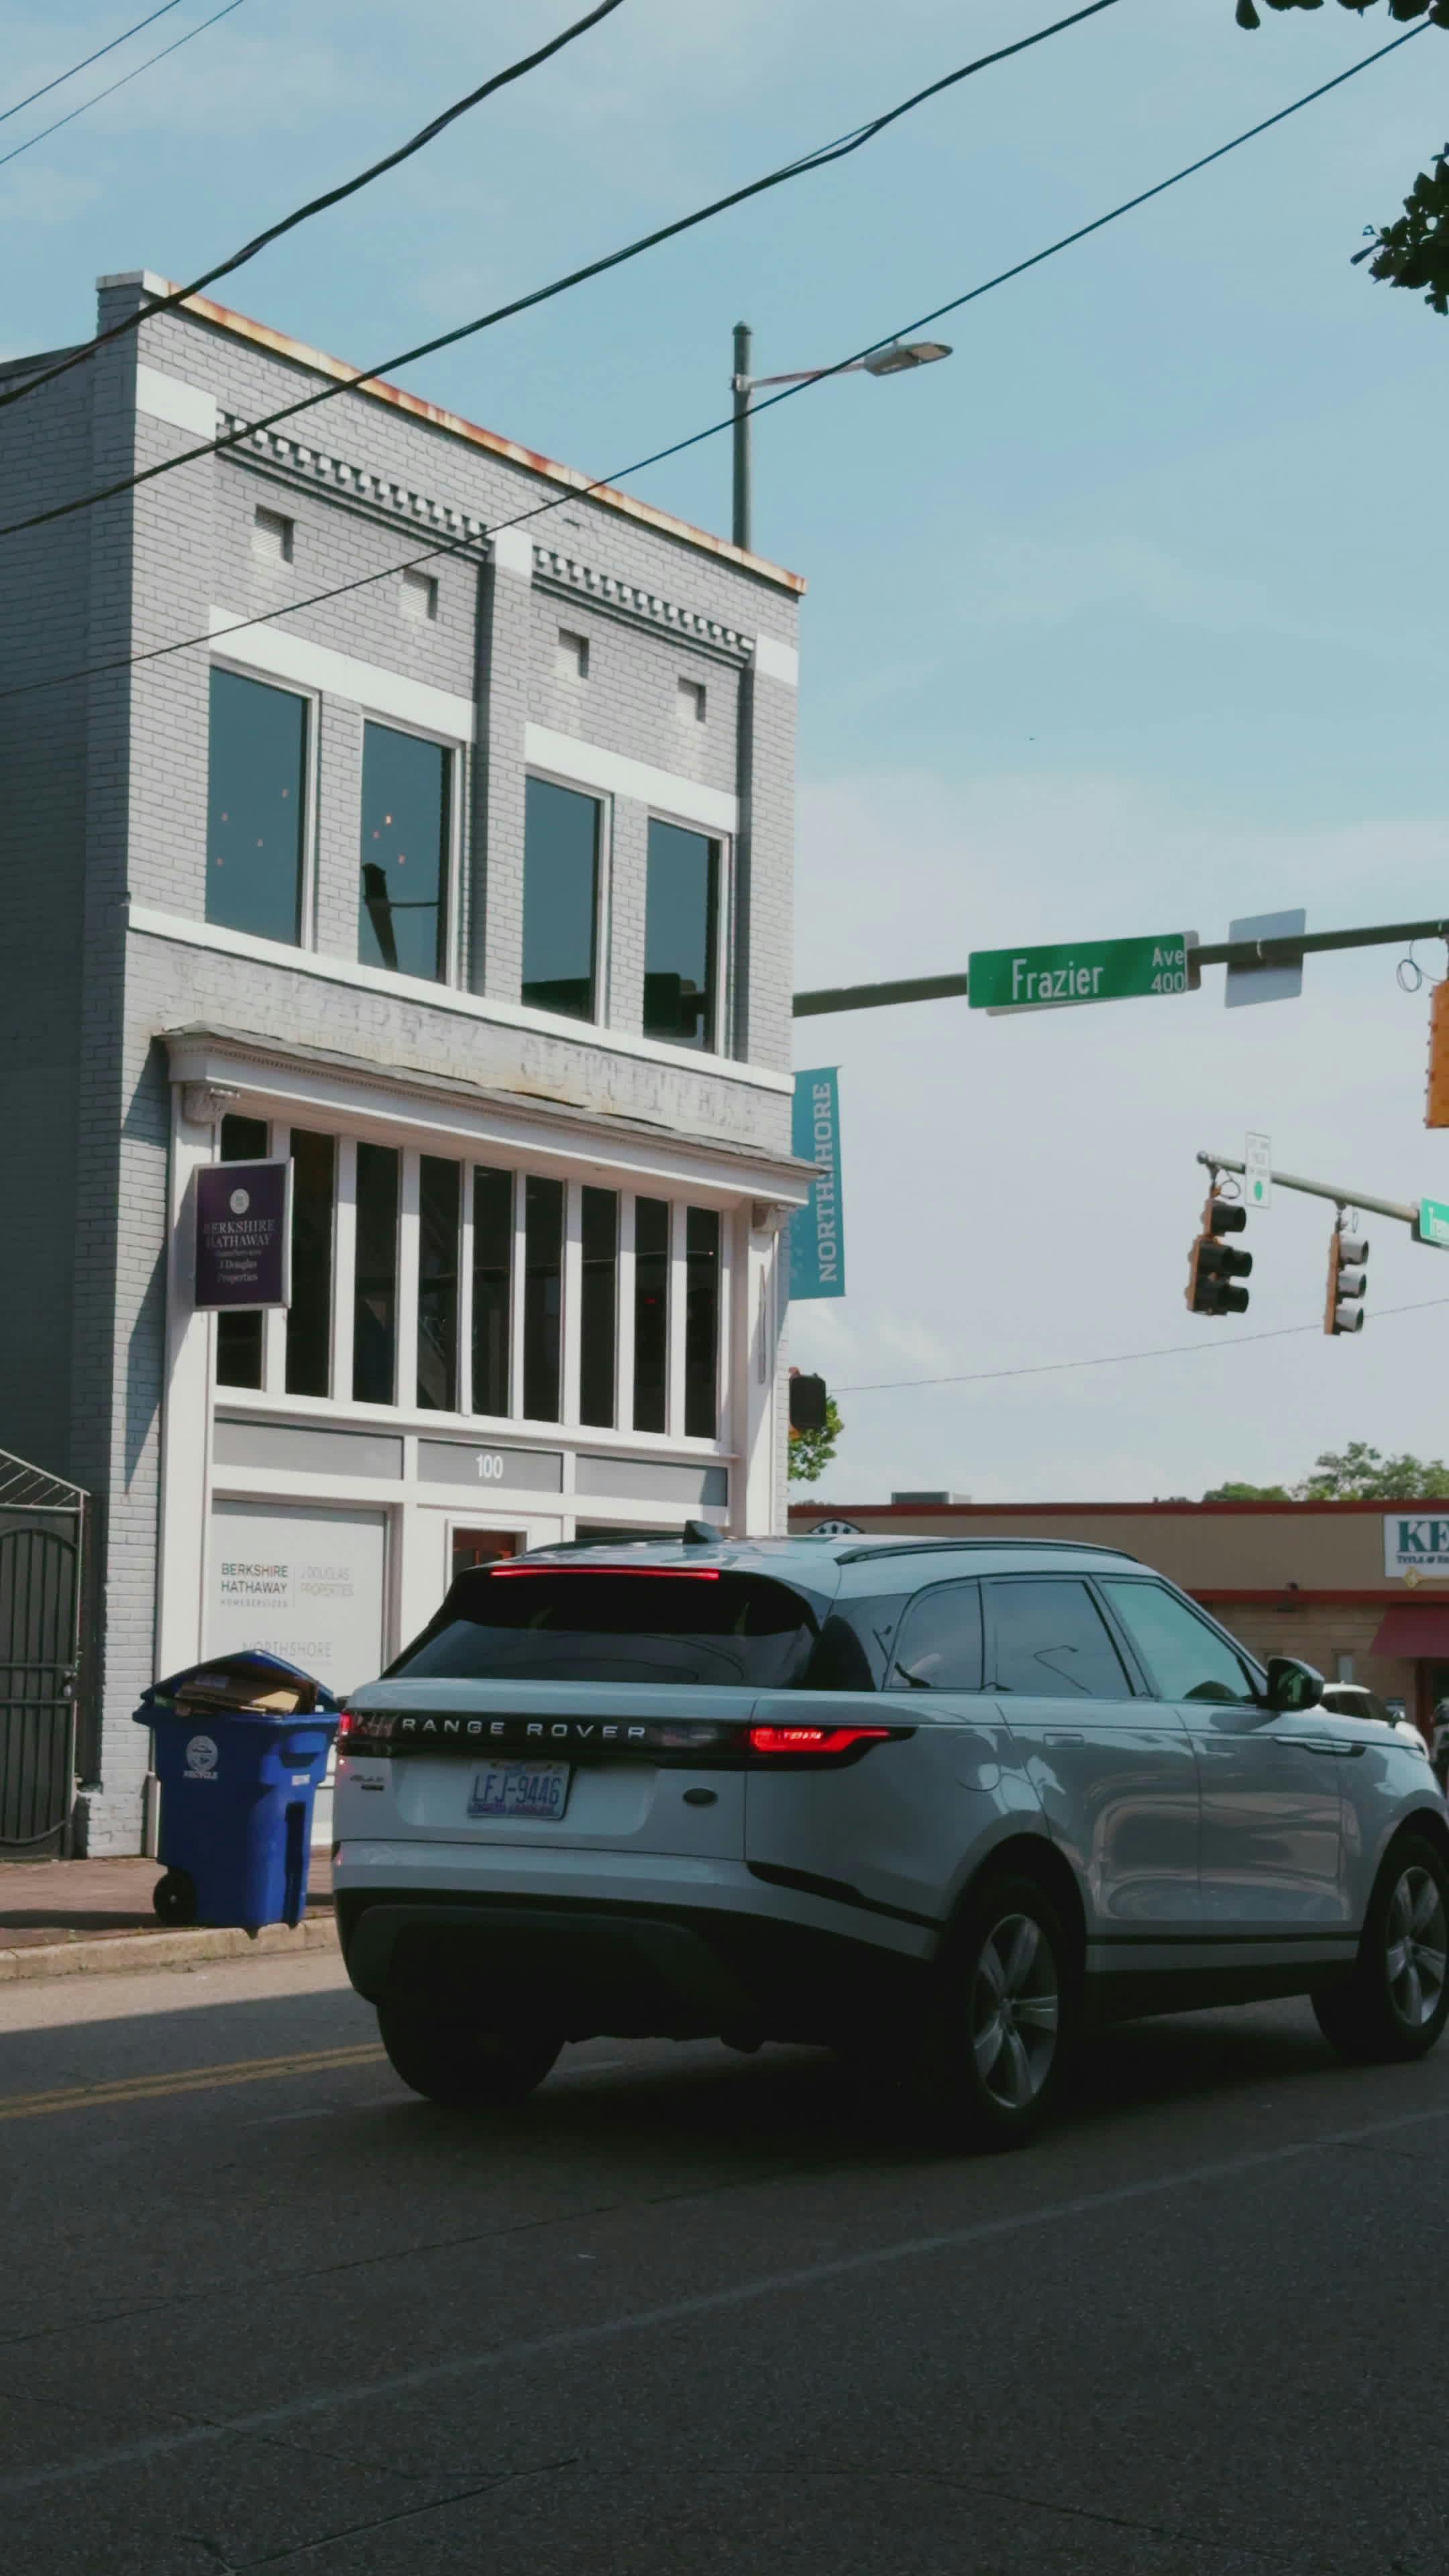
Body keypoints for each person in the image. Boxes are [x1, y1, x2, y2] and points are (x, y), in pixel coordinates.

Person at [1431, 1697, 1449, 1796]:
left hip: (1442, 1751)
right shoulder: (1441, 1707)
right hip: (1442, 1751)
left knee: (1441, 1775)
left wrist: (1434, 1754)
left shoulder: (1440, 1707)